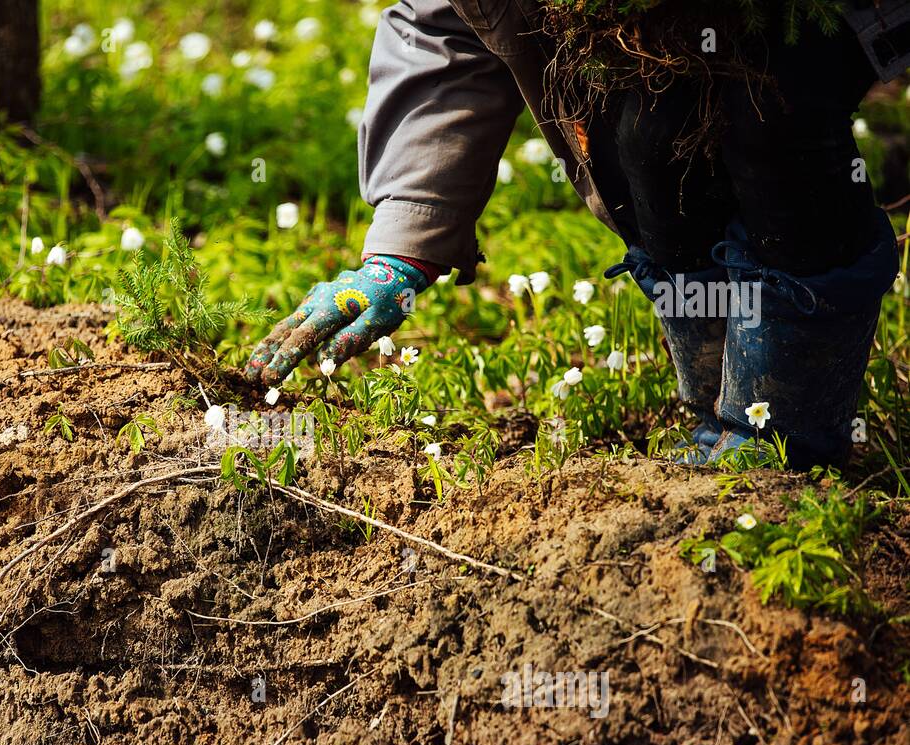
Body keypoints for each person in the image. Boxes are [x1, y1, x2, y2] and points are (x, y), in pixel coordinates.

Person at [244, 0, 910, 469]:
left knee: (771, 116)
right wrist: (399, 252)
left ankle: (785, 435)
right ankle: (717, 409)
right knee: (641, 137)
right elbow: (444, 28)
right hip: (643, 37)